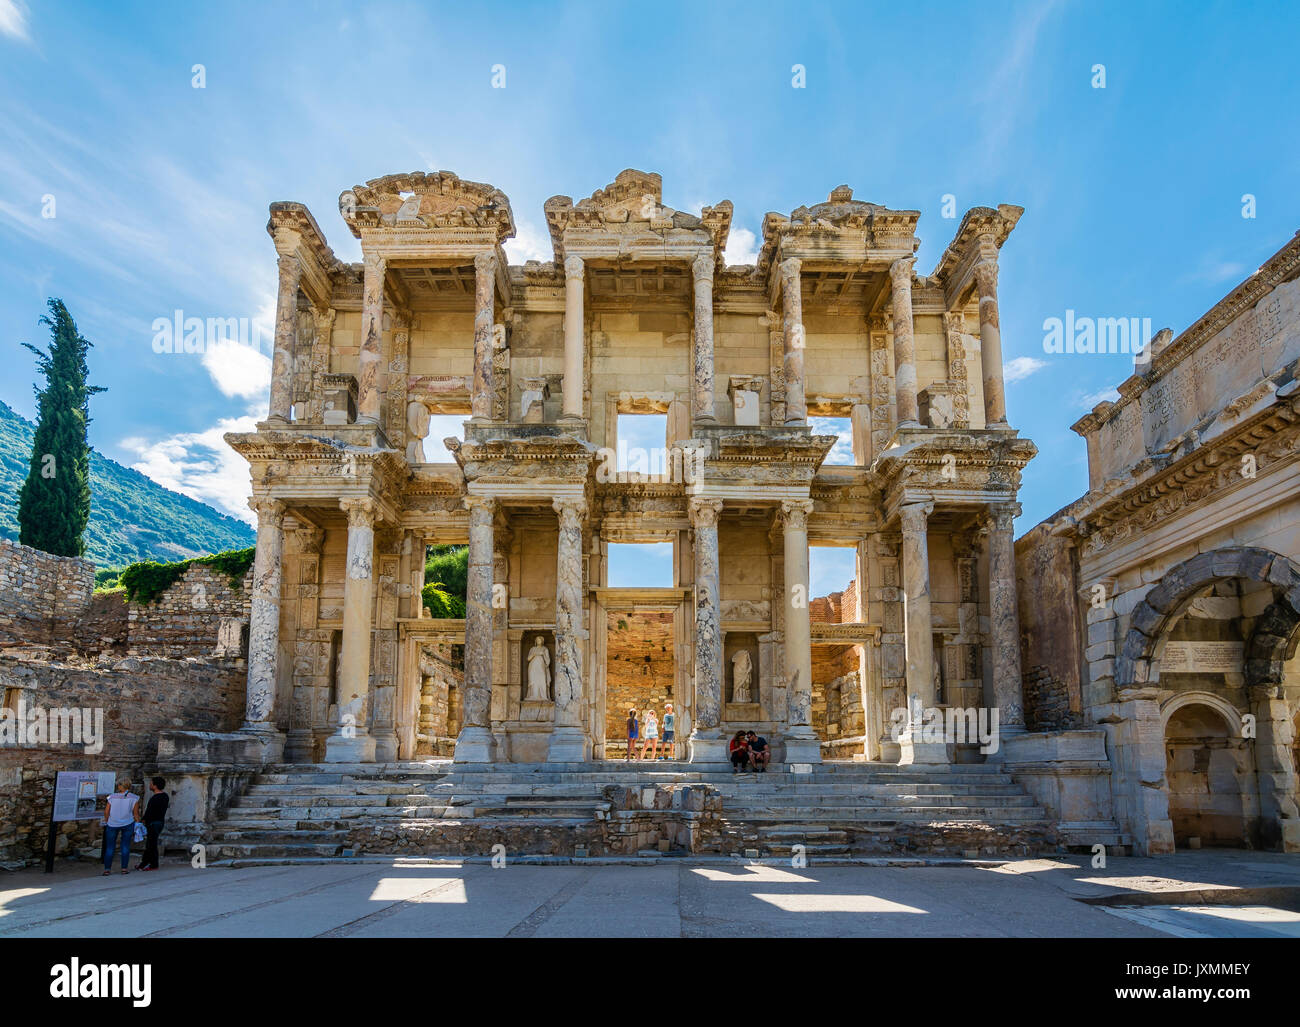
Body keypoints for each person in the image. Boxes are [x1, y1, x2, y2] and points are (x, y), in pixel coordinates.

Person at [101, 780, 139, 876]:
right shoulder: (134, 798)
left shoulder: (112, 797)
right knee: (125, 846)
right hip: (128, 823)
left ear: (119, 786)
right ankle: (124, 868)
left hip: (112, 823)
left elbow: (106, 812)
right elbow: (135, 814)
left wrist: (106, 820)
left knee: (110, 847)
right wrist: (138, 824)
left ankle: (107, 869)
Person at [136, 777, 169, 871]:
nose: (150, 785)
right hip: (159, 822)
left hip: (153, 823)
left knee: (152, 845)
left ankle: (154, 865)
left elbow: (149, 812)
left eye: (151, 783)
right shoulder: (165, 796)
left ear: (155, 785)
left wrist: (143, 820)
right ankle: (143, 863)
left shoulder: (155, 798)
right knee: (150, 844)